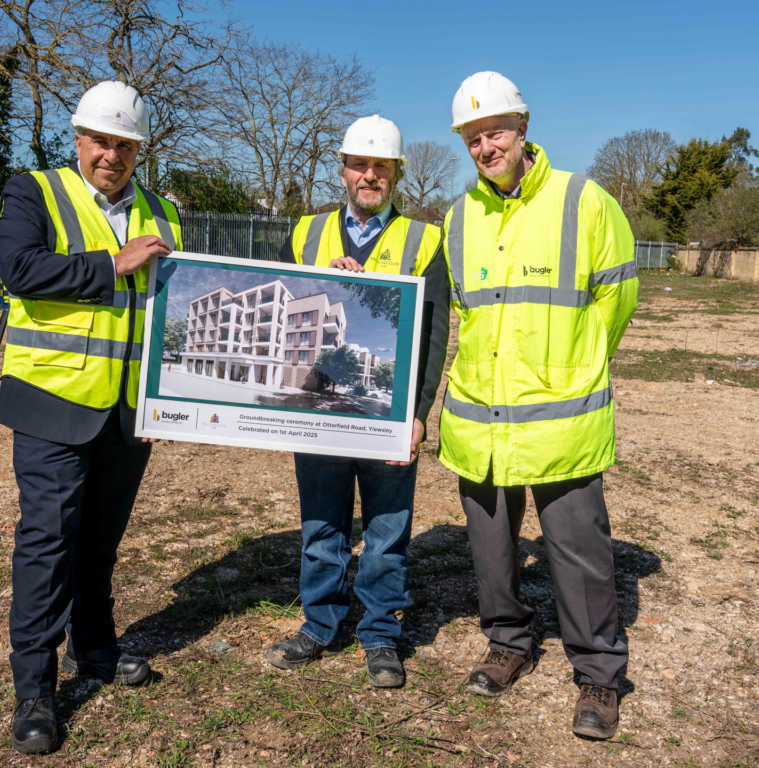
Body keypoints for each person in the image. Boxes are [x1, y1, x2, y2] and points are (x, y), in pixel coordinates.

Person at [438, 72, 638, 739]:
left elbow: (618, 297)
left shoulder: (584, 200)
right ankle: (508, 643)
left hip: (561, 416)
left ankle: (600, 675)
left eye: (494, 131)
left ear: (522, 128)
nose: (485, 146)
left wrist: (573, 365)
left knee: (579, 551)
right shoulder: (459, 214)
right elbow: (461, 309)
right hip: (479, 415)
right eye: (473, 138)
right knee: (492, 550)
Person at [0, 81, 182, 754]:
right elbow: (18, 268)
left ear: (139, 151)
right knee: (48, 543)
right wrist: (111, 263)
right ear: (79, 139)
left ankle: (96, 650)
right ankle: (35, 689)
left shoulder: (164, 211)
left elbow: (175, 316)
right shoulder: (35, 192)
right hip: (53, 401)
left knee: (100, 542)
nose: (113, 155)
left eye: (125, 145)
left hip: (130, 408)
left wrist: (170, 399)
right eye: (102, 141)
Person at [267, 115, 450, 688]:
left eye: (382, 167)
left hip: (387, 413)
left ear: (397, 173)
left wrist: (418, 413)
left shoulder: (426, 240)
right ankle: (320, 624)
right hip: (316, 406)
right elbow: (282, 305)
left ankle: (380, 634)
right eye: (360, 165)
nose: (370, 176)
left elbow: (435, 332)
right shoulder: (304, 233)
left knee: (388, 525)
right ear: (343, 170)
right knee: (322, 520)